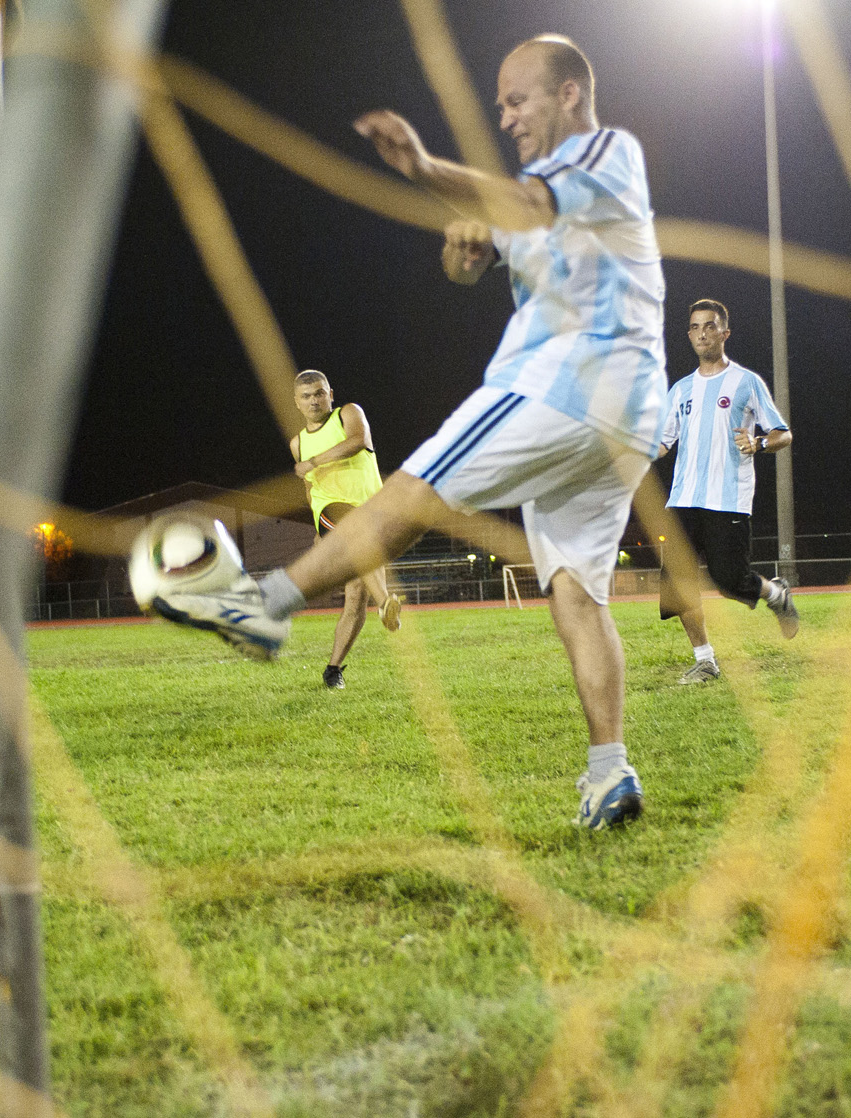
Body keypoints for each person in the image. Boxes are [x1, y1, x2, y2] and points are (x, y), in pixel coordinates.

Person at [159, 34, 666, 830]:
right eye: (498, 103)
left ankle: (267, 603)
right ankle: (611, 773)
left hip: (568, 384)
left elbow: (523, 204)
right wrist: (464, 249)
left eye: (517, 99)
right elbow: (479, 251)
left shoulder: (608, 152)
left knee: (414, 488)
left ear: (569, 94)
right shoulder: (545, 192)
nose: (504, 115)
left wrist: (426, 170)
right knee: (577, 588)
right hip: (624, 411)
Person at [655, 300, 798, 684]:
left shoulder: (746, 382)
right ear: (689, 334)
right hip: (683, 500)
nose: (702, 333)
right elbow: (663, 443)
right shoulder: (681, 389)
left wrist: (760, 444)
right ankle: (706, 661)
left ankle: (776, 595)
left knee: (730, 580)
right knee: (677, 585)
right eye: (695, 327)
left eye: (710, 326)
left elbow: (782, 432)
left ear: (724, 332)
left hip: (727, 500)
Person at [290, 369, 403, 688]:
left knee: (355, 597)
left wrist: (314, 462)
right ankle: (385, 603)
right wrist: (317, 530)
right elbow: (311, 489)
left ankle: (333, 670)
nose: (314, 400)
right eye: (306, 396)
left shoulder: (348, 415)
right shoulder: (298, 443)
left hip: (372, 513)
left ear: (330, 394)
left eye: (319, 393)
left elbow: (358, 442)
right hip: (331, 511)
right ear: (297, 403)